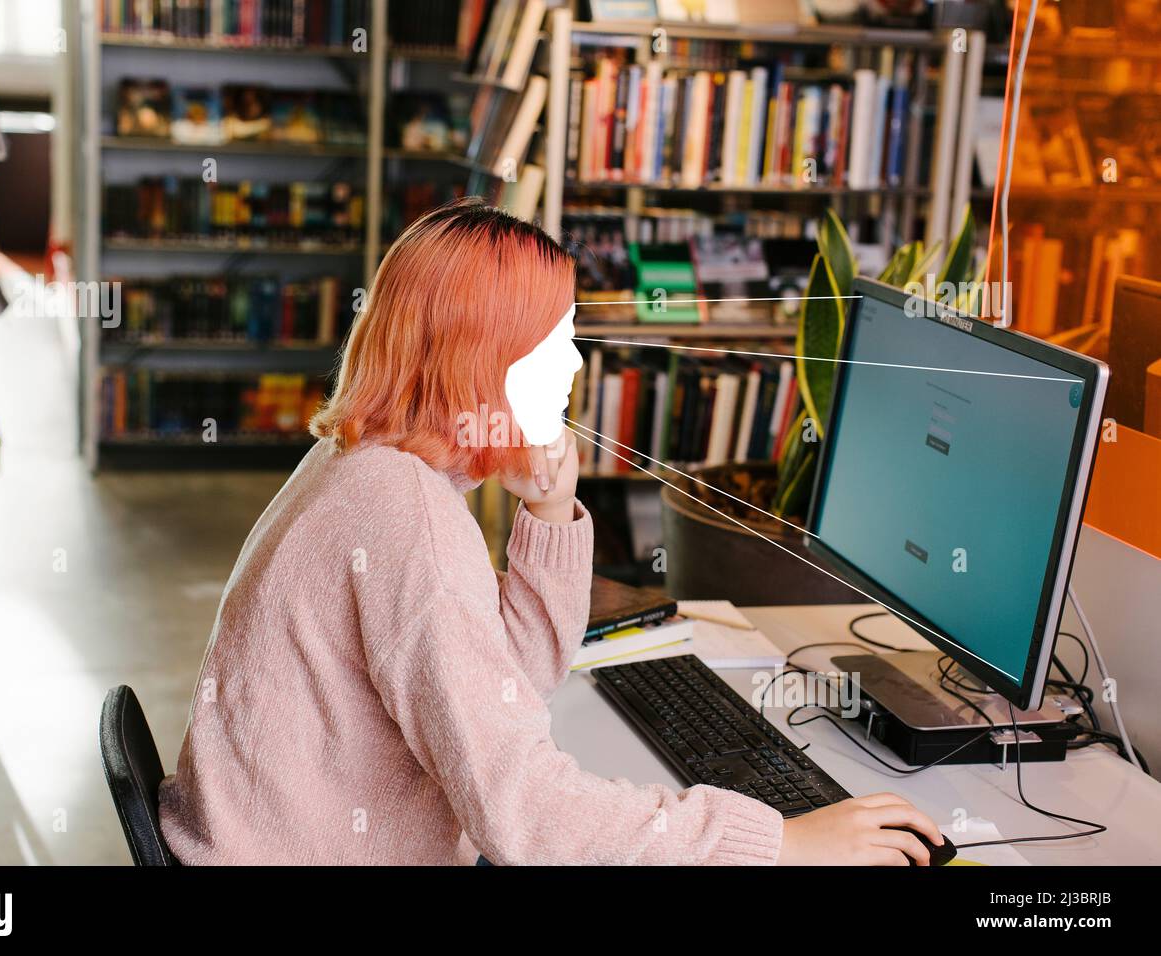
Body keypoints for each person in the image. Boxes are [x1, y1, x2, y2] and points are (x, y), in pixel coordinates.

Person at [159, 197, 944, 865]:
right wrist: (779, 842)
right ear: (485, 359)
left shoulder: (363, 459)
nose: (573, 361)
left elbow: (509, 681)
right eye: (555, 338)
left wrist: (547, 511)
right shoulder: (406, 518)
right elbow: (523, 816)